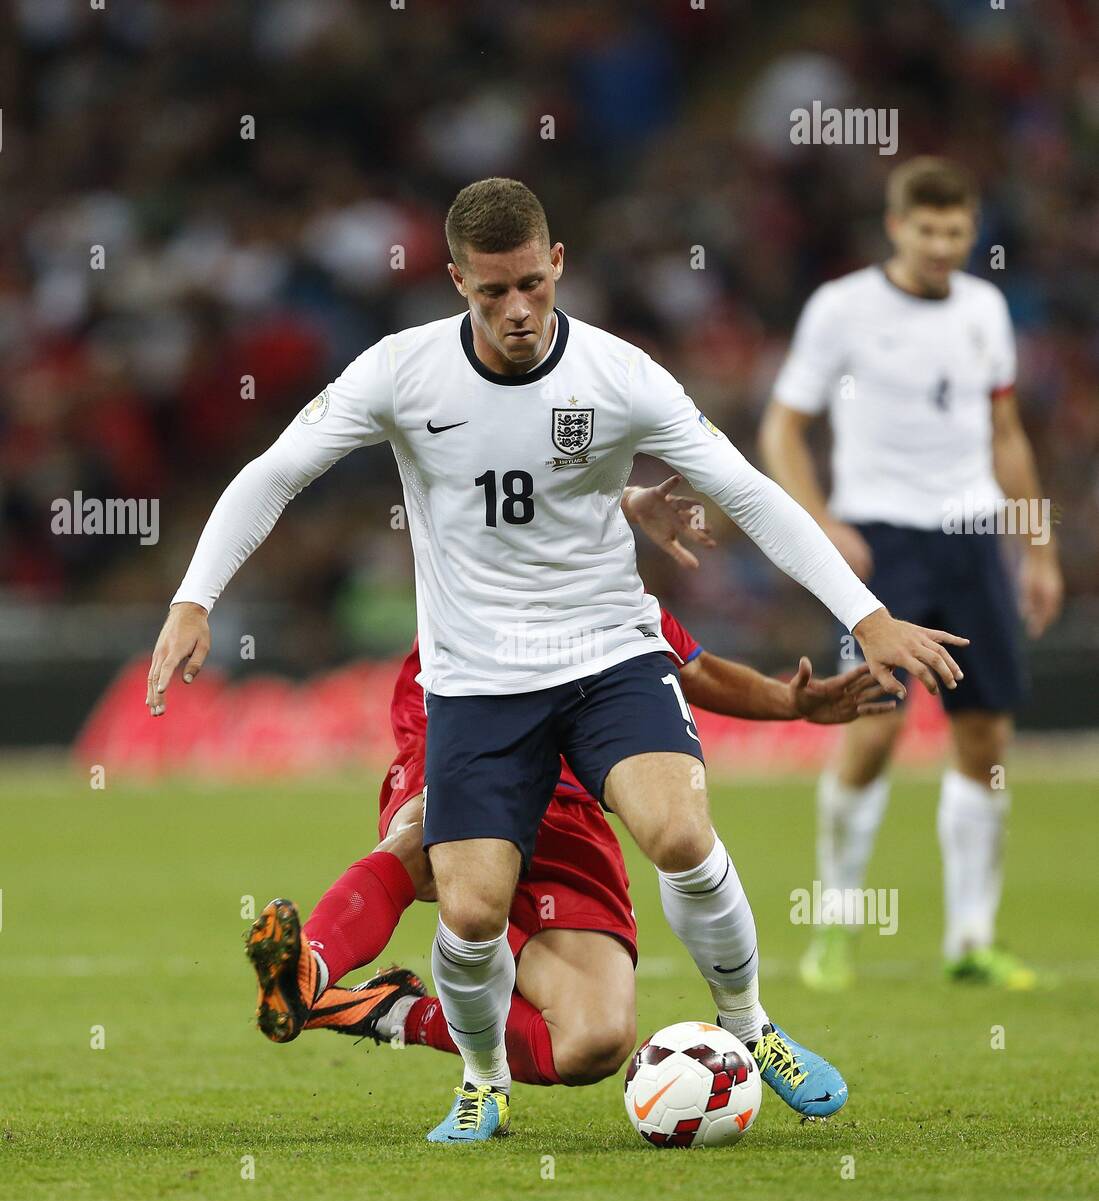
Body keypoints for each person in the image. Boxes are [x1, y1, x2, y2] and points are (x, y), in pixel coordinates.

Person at [148, 177, 965, 1142]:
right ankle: (483, 1078)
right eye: (491, 292)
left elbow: (747, 494)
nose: (517, 310)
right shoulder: (401, 373)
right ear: (456, 281)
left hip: (608, 655)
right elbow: (274, 472)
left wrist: (864, 614)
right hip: (477, 684)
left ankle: (749, 1027)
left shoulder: (622, 378)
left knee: (677, 833)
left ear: (558, 265)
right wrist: (194, 598)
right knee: (471, 906)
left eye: (531, 284)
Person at [245, 601, 890, 1140]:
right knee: (428, 839)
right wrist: (198, 598)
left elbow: (689, 666)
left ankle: (391, 1011)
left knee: (594, 1042)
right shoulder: (471, 525)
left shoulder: (601, 569)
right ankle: (310, 967)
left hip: (568, 803)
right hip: (466, 731)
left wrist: (789, 702)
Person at [759, 157, 1063, 992]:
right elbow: (782, 428)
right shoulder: (841, 308)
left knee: (984, 735)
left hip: (970, 539)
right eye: (925, 229)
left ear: (971, 232)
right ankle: (835, 927)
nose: (940, 245)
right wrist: (822, 525)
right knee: (875, 726)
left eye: (955, 231)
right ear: (896, 227)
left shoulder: (984, 309)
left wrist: (1034, 546)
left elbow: (1005, 435)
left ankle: (970, 937)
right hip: (881, 542)